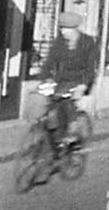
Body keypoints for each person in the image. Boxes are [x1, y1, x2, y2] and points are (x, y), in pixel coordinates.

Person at [39, 10, 98, 147]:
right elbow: (49, 62)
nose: (63, 31)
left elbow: (90, 68)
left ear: (75, 28)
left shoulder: (88, 42)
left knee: (68, 103)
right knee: (52, 106)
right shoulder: (59, 42)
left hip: (80, 80)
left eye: (66, 28)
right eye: (61, 28)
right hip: (61, 80)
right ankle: (53, 138)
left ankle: (72, 131)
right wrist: (44, 79)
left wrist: (83, 85)